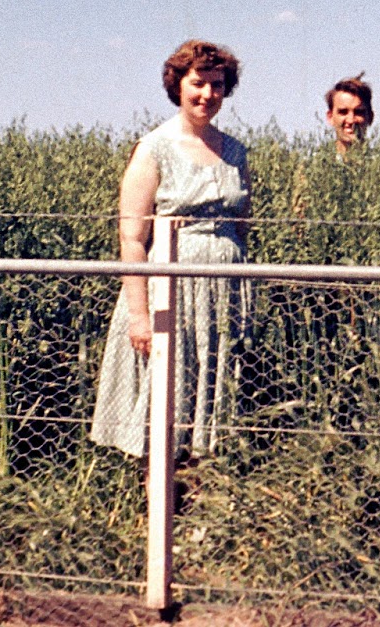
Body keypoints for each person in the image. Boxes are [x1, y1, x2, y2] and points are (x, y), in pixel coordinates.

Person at [91, 40, 251, 458]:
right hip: (170, 297)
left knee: (212, 413)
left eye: (217, 85)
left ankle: (203, 496)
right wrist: (139, 316)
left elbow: (241, 228)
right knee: (165, 402)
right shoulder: (154, 148)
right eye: (198, 83)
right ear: (177, 85)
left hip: (221, 297)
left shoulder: (235, 152)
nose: (207, 94)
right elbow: (132, 238)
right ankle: (157, 496)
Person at [324, 73, 373, 156]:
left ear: (370, 117)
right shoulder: (314, 162)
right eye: (343, 112)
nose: (351, 120)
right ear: (330, 117)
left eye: (358, 112)